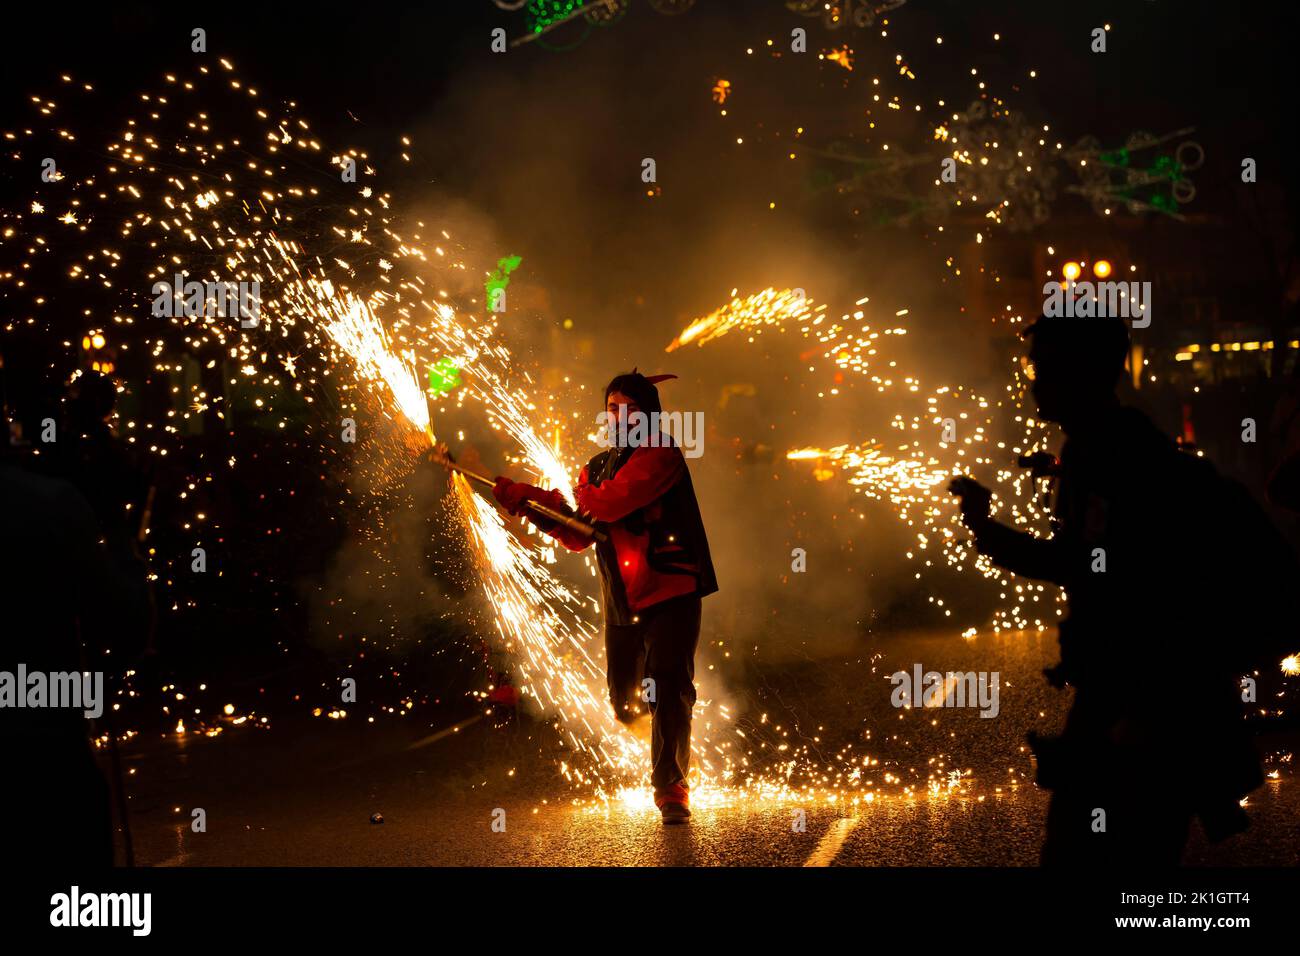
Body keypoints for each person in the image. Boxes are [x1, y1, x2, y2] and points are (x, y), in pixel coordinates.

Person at [949, 315, 1285, 865]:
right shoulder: (1105, 447)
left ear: (1082, 374)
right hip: (1138, 697)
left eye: (1046, 369)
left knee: (1095, 858)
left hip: (1143, 700)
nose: (1035, 382)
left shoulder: (1109, 454)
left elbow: (1084, 565)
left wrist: (985, 527)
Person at [491, 371, 717, 824]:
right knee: (625, 702)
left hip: (670, 589)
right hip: (621, 599)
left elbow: (613, 503)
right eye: (612, 407)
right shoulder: (595, 468)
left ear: (647, 413)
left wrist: (576, 496)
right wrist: (529, 502)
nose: (617, 415)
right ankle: (660, 739)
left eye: (626, 407)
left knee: (669, 683)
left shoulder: (663, 452)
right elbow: (582, 533)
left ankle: (671, 785)